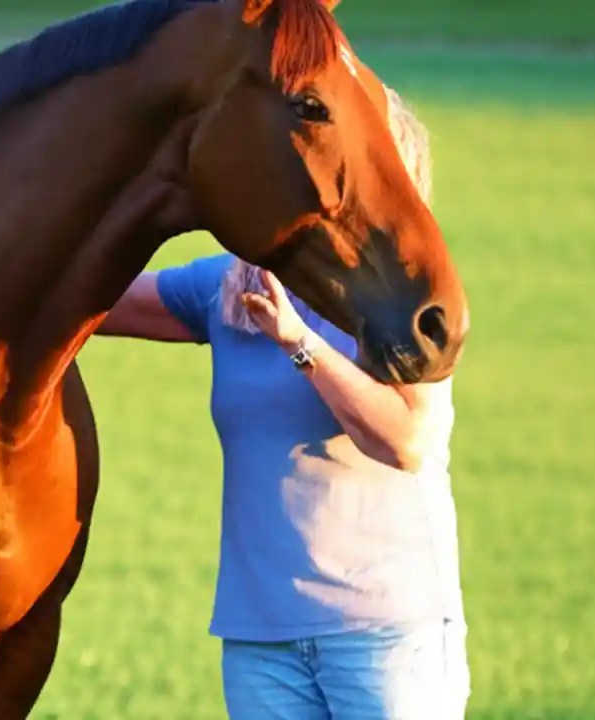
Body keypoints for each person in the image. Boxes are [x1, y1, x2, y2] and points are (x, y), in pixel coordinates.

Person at [97, 88, 470, 719]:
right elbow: (102, 300)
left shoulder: (406, 308)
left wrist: (299, 344)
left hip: (385, 637)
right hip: (261, 640)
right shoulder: (232, 286)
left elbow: (407, 441)